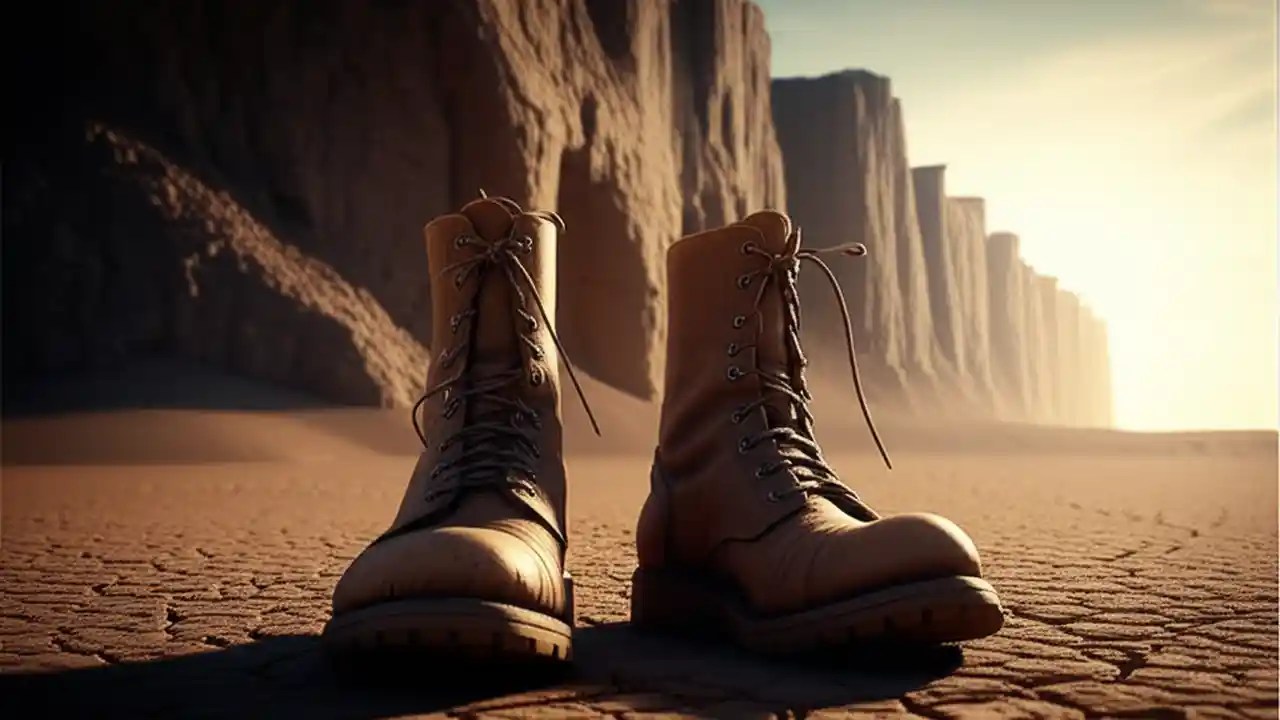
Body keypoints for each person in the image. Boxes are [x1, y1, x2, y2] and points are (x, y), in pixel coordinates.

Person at [322, 195, 1004, 663]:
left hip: (712, 516)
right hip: (477, 514)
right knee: (476, 526)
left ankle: (702, 518)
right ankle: (499, 478)